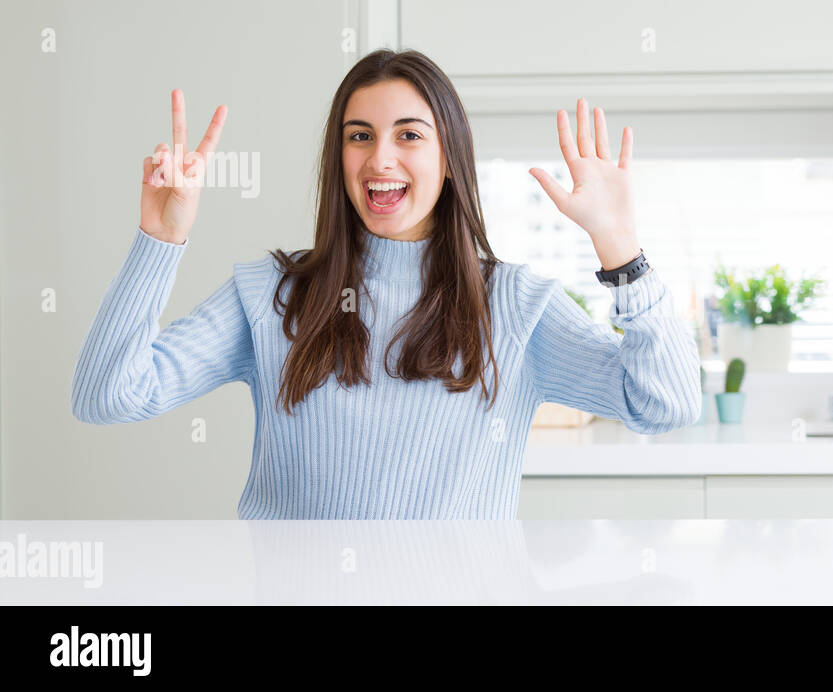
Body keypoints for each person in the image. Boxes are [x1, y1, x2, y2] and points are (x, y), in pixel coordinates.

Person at [70, 49, 701, 519]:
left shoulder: (514, 306)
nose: (380, 160)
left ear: (449, 160)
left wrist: (622, 251)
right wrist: (159, 237)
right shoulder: (274, 294)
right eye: (360, 137)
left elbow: (667, 405)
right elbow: (107, 396)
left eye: (409, 135)